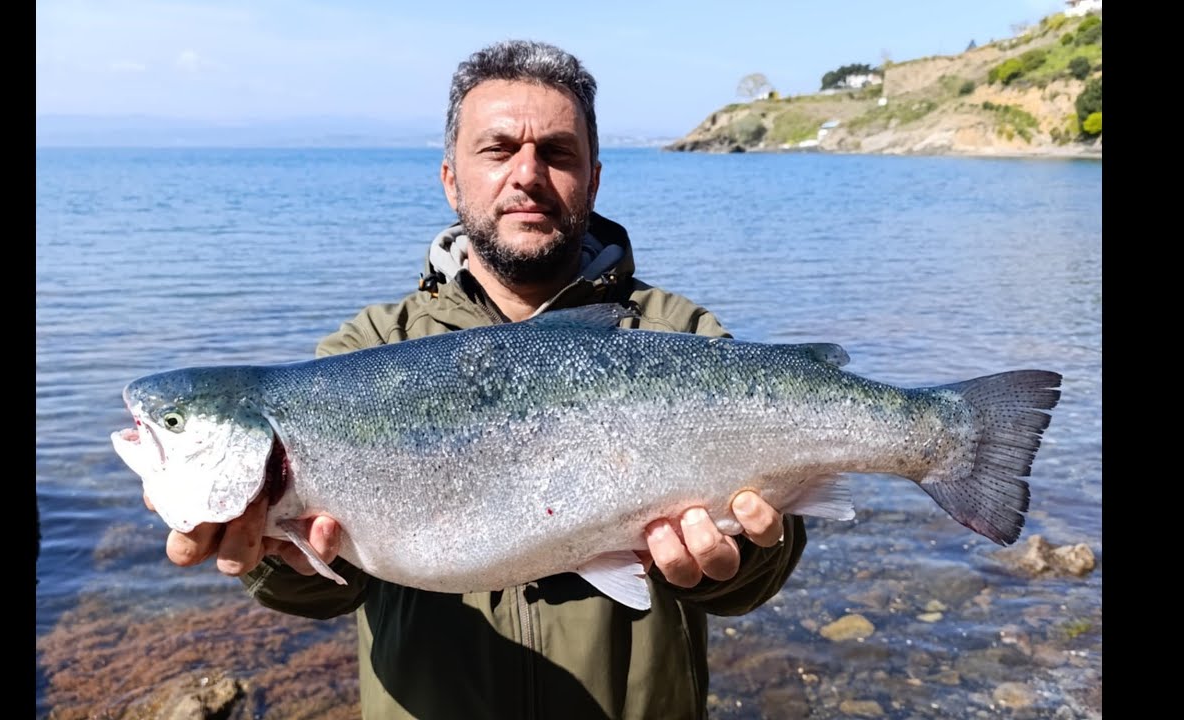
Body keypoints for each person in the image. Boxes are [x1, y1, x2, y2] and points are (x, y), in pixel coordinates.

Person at [154, 39, 806, 719]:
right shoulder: (370, 346)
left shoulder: (677, 333)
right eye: (497, 150)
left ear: (594, 178)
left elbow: (763, 567)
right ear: (450, 178)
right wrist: (270, 554)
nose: (527, 174)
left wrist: (742, 559)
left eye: (557, 152)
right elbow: (330, 590)